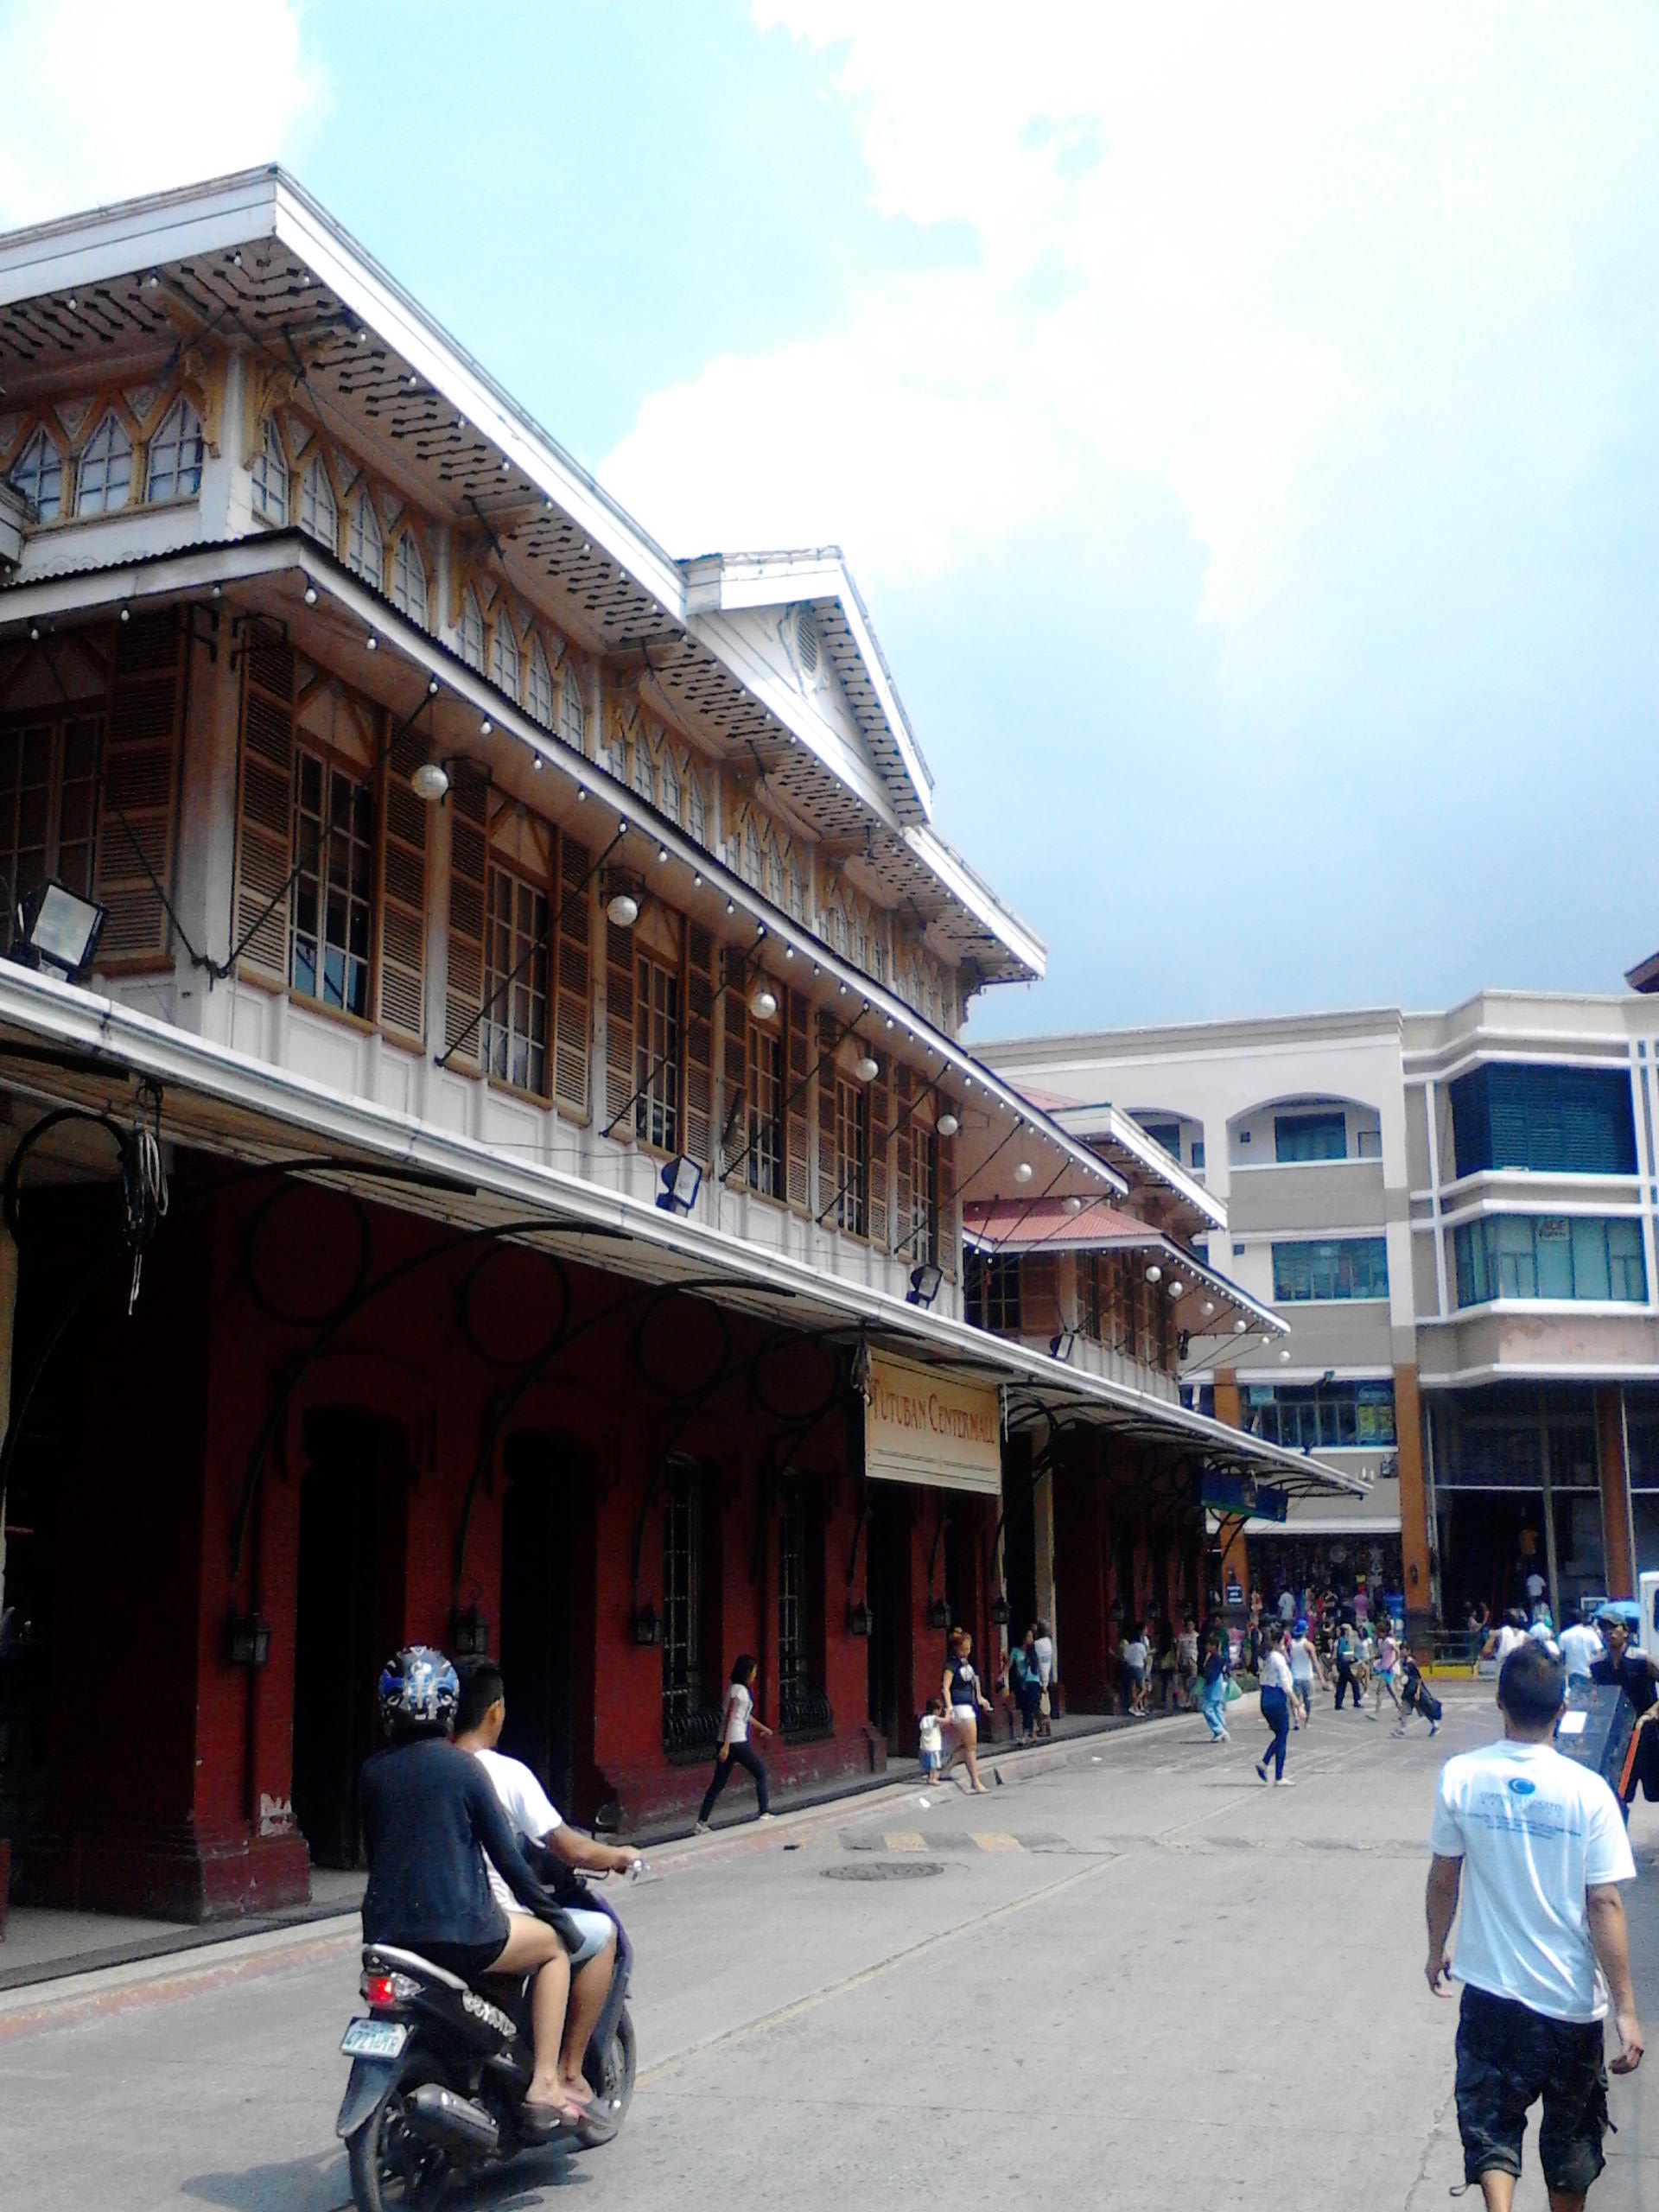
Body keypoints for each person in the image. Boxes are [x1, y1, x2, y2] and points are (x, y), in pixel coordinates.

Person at [1425, 1640, 1642, 2211]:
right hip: (1569, 2006)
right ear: (1563, 1706)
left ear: (1500, 1702)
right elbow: (1605, 1905)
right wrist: (1624, 2008)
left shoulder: (1462, 1777)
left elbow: (1444, 1877)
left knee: (1492, 2125)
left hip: (1492, 1996)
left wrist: (1434, 1949)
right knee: (1570, 2140)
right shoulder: (1588, 1793)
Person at [359, 1647, 582, 2133]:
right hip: (464, 1933)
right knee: (554, 1951)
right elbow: (511, 1863)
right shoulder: (466, 1770)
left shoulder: (372, 1774)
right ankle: (546, 2080)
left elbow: (379, 1855)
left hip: (386, 1939)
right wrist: (556, 1917)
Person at [453, 1660, 639, 2112]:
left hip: (432, 1919)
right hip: (490, 1922)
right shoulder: (504, 1774)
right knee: (592, 1936)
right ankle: (562, 2074)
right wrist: (617, 1855)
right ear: (495, 1711)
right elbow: (567, 1847)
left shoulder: (429, 1768)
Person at [695, 1655, 774, 1831]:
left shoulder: (734, 1689)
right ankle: (764, 1811)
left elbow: (744, 1717)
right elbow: (731, 1717)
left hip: (729, 1740)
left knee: (718, 1782)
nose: (755, 1674)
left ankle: (701, 1822)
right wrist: (727, 1745)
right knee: (760, 1770)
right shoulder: (740, 1691)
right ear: (747, 1672)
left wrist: (764, 1728)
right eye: (753, 1671)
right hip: (736, 1741)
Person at [1590, 1611, 1659, 1811]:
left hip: (1647, 1734)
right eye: (1604, 1628)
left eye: (1614, 1627)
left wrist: (1653, 1712)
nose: (1609, 1632)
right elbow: (1591, 1697)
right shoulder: (1597, 1665)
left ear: (1626, 1632)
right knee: (1617, 1793)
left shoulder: (1642, 1659)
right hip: (1616, 1740)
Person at [940, 1625, 993, 1794]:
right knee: (971, 1747)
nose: (967, 1652)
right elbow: (945, 1687)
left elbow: (974, 1680)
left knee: (968, 1745)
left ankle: (946, 1769)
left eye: (969, 1649)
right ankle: (975, 1781)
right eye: (964, 1649)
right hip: (959, 1706)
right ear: (956, 1648)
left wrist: (980, 1698)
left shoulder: (966, 1663)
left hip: (969, 1704)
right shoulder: (951, 1665)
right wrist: (949, 1708)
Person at [1255, 1623, 1295, 1787]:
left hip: (1266, 1697)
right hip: (1276, 1697)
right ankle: (1276, 1773)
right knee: (1283, 1734)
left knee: (1280, 1734)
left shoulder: (1269, 1657)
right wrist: (1296, 1703)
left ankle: (1266, 1765)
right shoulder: (1278, 1659)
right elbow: (1286, 1684)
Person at [1287, 1618, 1324, 1729]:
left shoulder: (1290, 1644)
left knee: (1295, 1700)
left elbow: (1288, 1659)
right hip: (1307, 1676)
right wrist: (1322, 1678)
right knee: (1308, 1700)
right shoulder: (1308, 1645)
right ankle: (1307, 1722)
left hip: (1294, 1675)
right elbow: (1315, 1662)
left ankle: (1296, 1720)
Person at [1011, 1629, 1043, 1743]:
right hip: (1023, 1683)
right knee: (1026, 1708)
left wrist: (1043, 1682)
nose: (1031, 1639)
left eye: (1032, 1637)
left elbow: (1039, 1666)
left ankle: (1027, 1733)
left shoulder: (1033, 1651)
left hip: (1033, 1681)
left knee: (1030, 1707)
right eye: (1028, 1637)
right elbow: (1009, 1665)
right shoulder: (1016, 1651)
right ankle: (1031, 1733)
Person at [1198, 1632, 1230, 1743]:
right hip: (1218, 1683)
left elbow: (1210, 1673)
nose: (1206, 1647)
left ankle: (1219, 1730)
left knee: (1207, 1708)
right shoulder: (1218, 1657)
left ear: (1213, 1646)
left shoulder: (1215, 1658)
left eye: (1208, 1644)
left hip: (1213, 1683)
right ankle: (1222, 1730)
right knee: (1217, 1707)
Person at [1558, 1610, 1605, 1687]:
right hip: (1589, 1674)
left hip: (1571, 1675)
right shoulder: (1591, 1634)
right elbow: (1599, 1654)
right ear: (1582, 1619)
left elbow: (1561, 1658)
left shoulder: (1564, 1636)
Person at [1372, 1621, 1405, 1725]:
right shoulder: (1383, 1642)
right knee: (1393, 1693)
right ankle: (1401, 1712)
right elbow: (1381, 1655)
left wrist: (1393, 1663)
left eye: (1377, 1632)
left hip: (1388, 1670)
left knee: (1380, 1691)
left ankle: (1376, 1713)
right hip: (1384, 1669)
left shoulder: (1390, 1641)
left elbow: (1398, 1652)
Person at [1333, 1618, 1364, 1713]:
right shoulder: (1342, 1640)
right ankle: (1354, 1701)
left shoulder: (1346, 1640)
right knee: (1351, 1683)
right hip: (1344, 1665)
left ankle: (1339, 1702)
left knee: (1343, 1684)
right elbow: (1340, 1652)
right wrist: (1349, 1656)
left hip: (1347, 1664)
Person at [1120, 1623, 1150, 1718]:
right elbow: (1145, 1657)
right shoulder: (1140, 1646)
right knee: (1143, 1689)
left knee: (1134, 1689)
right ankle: (1133, 1707)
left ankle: (1137, 1708)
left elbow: (1126, 1658)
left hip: (1130, 1668)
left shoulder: (1129, 1646)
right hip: (1139, 1668)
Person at [1033, 1618, 1056, 1738]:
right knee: (1046, 1703)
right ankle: (1048, 1726)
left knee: (1040, 1705)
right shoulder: (1048, 1642)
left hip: (1040, 1678)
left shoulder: (1037, 1645)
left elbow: (1035, 1659)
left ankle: (1042, 1728)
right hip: (1048, 1675)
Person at [1176, 1615, 1200, 1711]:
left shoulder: (1196, 1636)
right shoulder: (1181, 1637)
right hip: (1184, 1662)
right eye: (1187, 1625)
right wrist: (1176, 1663)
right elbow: (1178, 1650)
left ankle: (1194, 1702)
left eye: (1191, 1625)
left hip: (1193, 1661)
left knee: (1193, 1682)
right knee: (1184, 1684)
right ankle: (1187, 1703)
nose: (1189, 1627)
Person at [918, 1698, 944, 1784]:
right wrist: (949, 1712)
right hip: (934, 1746)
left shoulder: (924, 1719)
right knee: (934, 1764)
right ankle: (933, 1778)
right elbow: (946, 1721)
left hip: (925, 1745)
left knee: (929, 1763)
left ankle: (929, 1776)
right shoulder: (934, 1719)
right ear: (935, 1710)